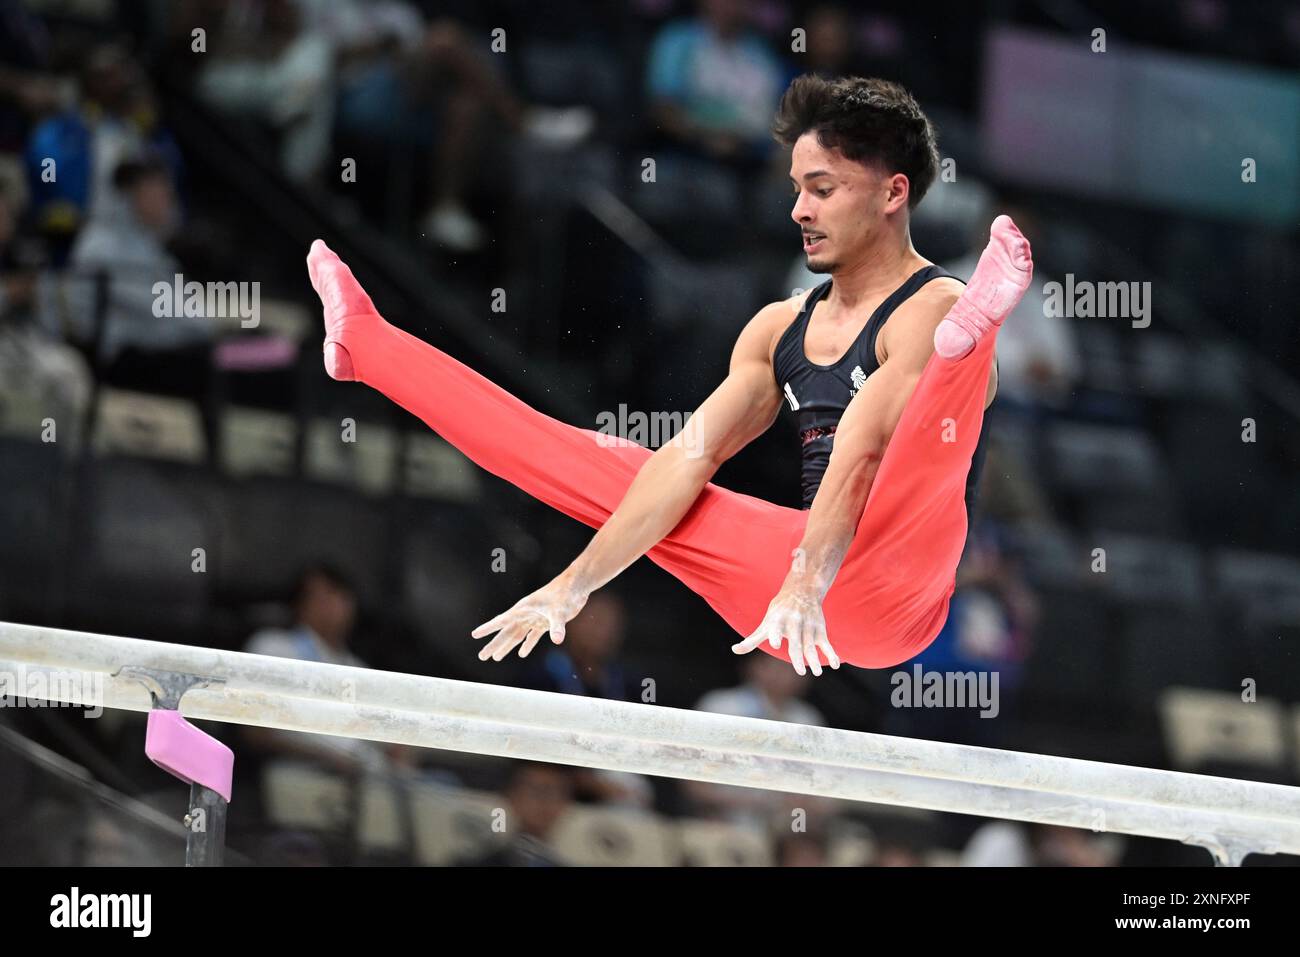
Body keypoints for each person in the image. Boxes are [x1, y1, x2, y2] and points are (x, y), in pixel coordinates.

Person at [304, 74, 1033, 676]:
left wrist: (811, 579)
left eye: (822, 188)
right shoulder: (779, 326)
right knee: (616, 463)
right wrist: (573, 585)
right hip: (785, 589)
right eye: (796, 188)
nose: (798, 210)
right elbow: (688, 459)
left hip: (891, 595)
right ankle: (370, 347)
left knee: (928, 413)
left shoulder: (922, 306)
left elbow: (866, 448)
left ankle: (973, 338)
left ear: (892, 193)